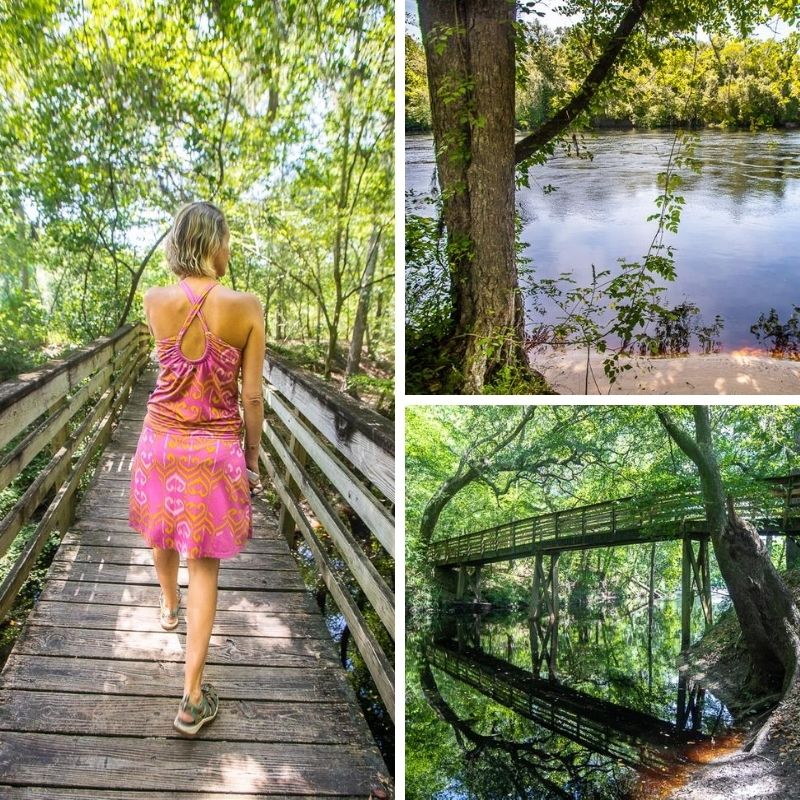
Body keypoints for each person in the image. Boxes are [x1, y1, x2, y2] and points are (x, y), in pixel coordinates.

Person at [128, 200, 265, 736]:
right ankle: (190, 700)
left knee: (161, 533)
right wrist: (251, 454)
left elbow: (168, 368)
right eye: (227, 239)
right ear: (211, 243)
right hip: (215, 450)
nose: (230, 250)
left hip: (159, 442)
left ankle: (167, 608)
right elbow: (250, 396)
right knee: (204, 564)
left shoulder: (155, 300)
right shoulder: (246, 306)